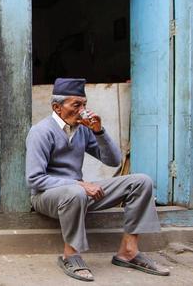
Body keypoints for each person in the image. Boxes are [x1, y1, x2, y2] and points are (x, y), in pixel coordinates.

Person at [25, 78, 169, 282]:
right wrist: (77, 184)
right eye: (76, 105)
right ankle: (71, 255)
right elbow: (35, 180)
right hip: (46, 197)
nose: (83, 110)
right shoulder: (41, 132)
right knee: (75, 192)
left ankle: (128, 251)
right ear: (57, 107)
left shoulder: (82, 129)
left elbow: (114, 160)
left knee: (141, 181)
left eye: (84, 104)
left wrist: (99, 131)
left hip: (78, 194)